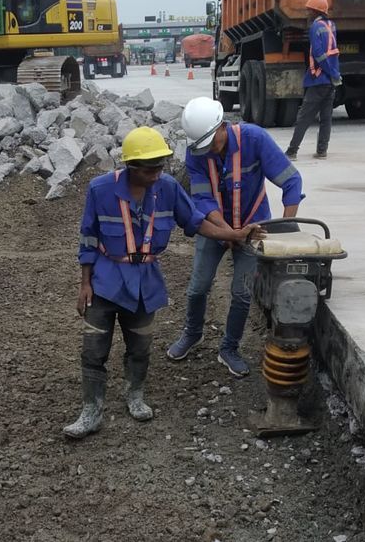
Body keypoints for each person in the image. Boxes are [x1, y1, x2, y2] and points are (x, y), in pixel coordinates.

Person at [66, 127, 265, 439]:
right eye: (150, 168)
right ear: (131, 168)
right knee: (93, 350)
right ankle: (91, 410)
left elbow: (196, 222)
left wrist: (234, 235)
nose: (157, 173)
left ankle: (135, 396)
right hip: (105, 281)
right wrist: (84, 284)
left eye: (161, 166)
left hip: (145, 283)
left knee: (140, 347)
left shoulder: (168, 188)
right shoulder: (100, 189)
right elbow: (88, 238)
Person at [167, 96, 304, 377]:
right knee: (198, 286)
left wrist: (284, 227)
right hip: (217, 227)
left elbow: (291, 180)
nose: (209, 151)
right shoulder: (197, 152)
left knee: (241, 293)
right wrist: (227, 233)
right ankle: (193, 334)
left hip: (254, 226)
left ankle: (229, 348)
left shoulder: (254, 139)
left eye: (213, 144)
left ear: (222, 127)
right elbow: (203, 199)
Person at [286, 0, 341, 160]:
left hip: (318, 79)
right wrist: (335, 74)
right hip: (331, 80)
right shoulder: (332, 25)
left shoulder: (315, 27)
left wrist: (328, 72)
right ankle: (322, 150)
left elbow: (318, 54)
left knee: (304, 117)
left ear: (315, 11)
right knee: (326, 118)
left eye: (309, 9)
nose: (307, 12)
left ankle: (292, 150)